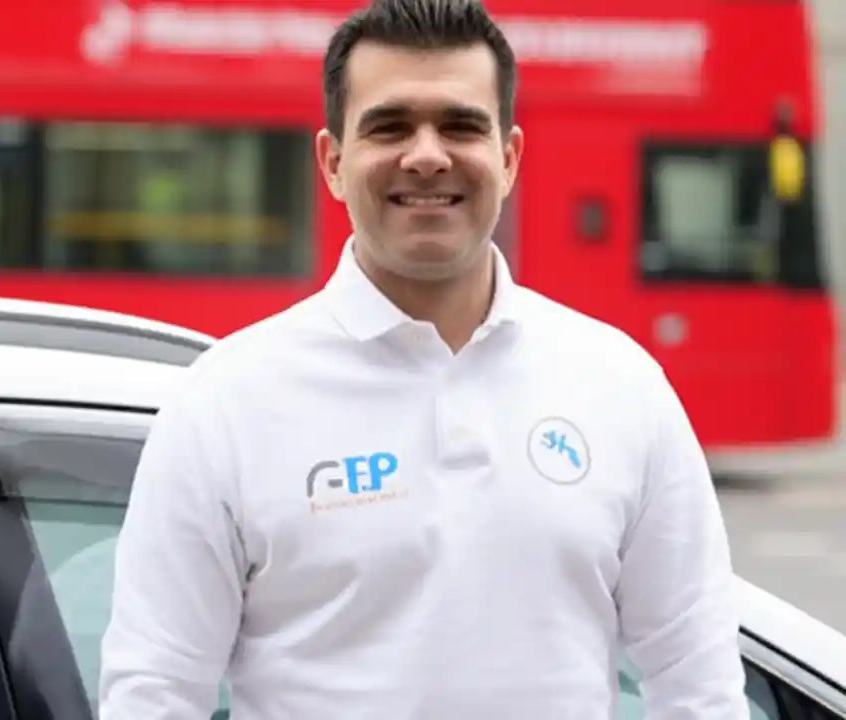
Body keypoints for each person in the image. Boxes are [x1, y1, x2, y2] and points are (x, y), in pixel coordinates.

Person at [98, 0, 748, 717]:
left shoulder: (622, 387)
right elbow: (155, 692)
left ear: (509, 158)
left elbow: (698, 676)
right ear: (334, 162)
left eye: (462, 125)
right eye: (390, 125)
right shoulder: (225, 401)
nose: (428, 153)